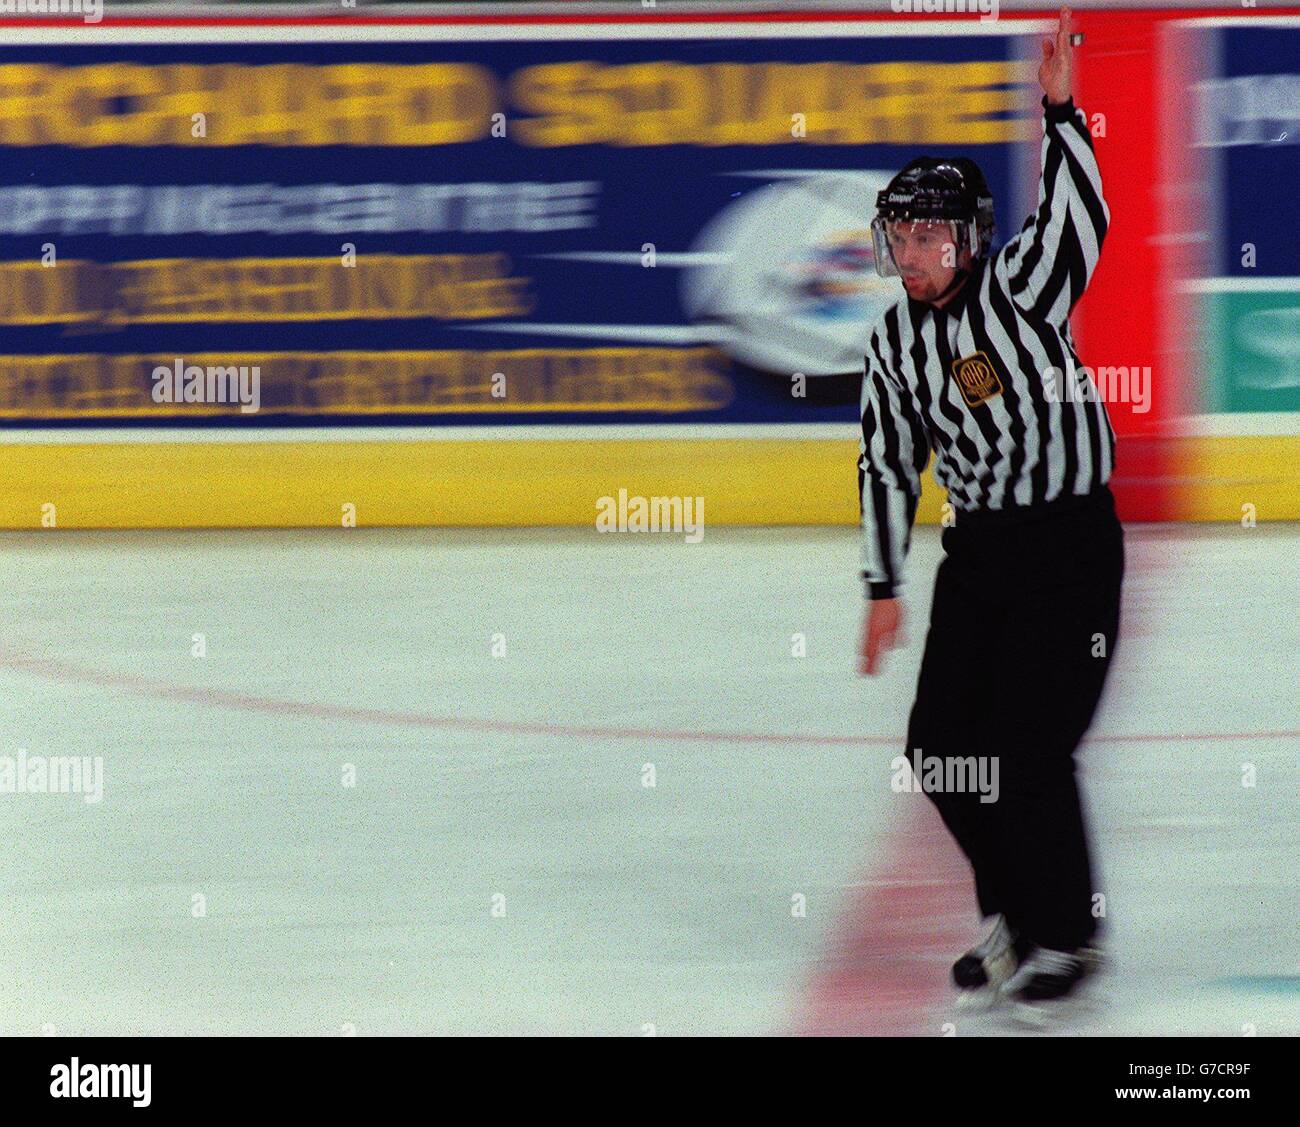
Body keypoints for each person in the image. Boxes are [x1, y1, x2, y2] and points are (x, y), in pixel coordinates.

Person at [855, 8, 1124, 1019]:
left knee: (1028, 743)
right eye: (898, 237)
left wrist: (1060, 112)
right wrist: (881, 584)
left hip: (1066, 545)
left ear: (967, 237)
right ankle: (1013, 917)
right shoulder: (891, 342)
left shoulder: (1018, 288)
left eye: (925, 236)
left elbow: (1078, 223)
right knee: (938, 742)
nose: (910, 255)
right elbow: (885, 461)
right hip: (980, 557)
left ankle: (1070, 935)